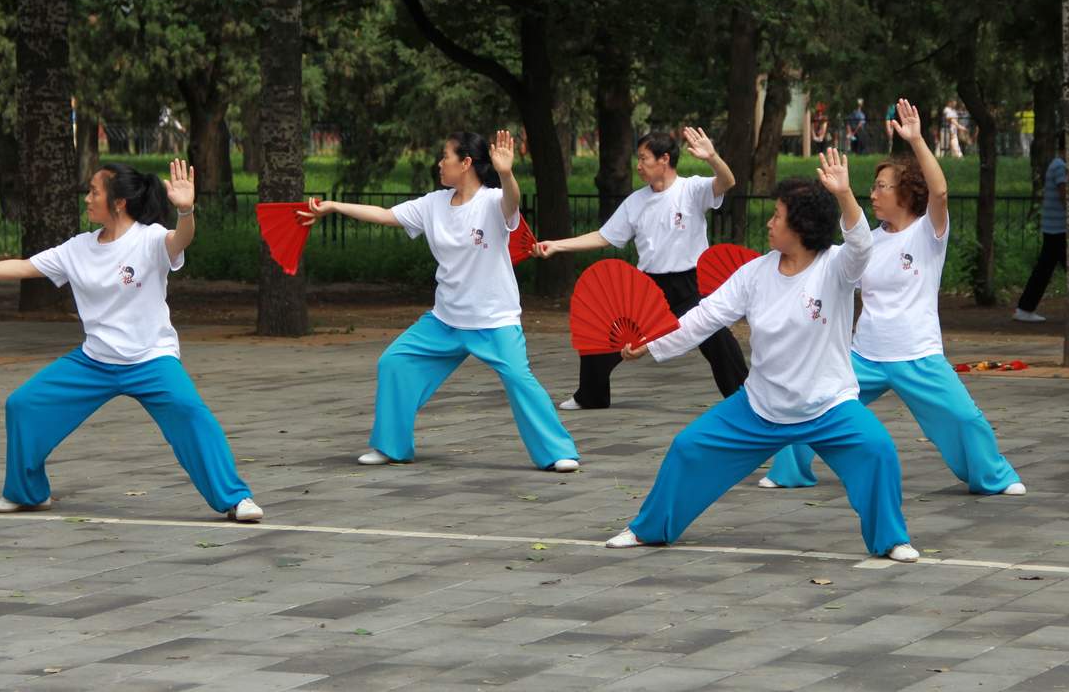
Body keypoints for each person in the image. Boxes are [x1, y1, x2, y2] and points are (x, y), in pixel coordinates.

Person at [604, 149, 919, 563]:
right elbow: (705, 316)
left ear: (801, 226)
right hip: (759, 407)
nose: (769, 223)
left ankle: (890, 539)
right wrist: (651, 344)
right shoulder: (755, 273)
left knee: (878, 450)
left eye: (777, 216)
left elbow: (861, 243)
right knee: (687, 447)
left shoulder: (837, 268)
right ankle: (650, 529)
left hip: (829, 405)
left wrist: (844, 195)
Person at [0, 161, 263, 521]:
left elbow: (181, 238)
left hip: (151, 359)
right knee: (23, 404)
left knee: (192, 414)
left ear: (118, 202)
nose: (87, 198)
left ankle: (235, 498)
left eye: (93, 192)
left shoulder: (148, 239)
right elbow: (24, 267)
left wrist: (185, 210)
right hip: (95, 361)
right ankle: (28, 492)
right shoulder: (78, 248)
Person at [761, 99, 1025, 497]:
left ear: (905, 193)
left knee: (963, 418)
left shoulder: (928, 233)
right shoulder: (869, 240)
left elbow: (941, 190)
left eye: (882, 187)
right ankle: (789, 471)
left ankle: (993, 477)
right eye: (873, 187)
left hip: (917, 353)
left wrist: (917, 140)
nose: (874, 194)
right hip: (864, 354)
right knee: (810, 400)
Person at [300, 130, 580, 472]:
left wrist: (507, 173)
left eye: (444, 156)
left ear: (465, 164)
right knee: (394, 362)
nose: (439, 163)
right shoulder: (432, 204)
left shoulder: (493, 202)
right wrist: (333, 206)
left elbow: (512, 203)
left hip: (494, 320)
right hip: (445, 320)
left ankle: (556, 452)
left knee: (520, 380)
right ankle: (391, 446)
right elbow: (384, 214)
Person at [532, 128, 748, 411]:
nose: (638, 165)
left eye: (644, 158)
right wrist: (558, 245)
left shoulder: (692, 189)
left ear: (664, 159)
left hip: (690, 286)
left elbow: (727, 181)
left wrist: (712, 157)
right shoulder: (636, 201)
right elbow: (604, 236)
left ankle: (746, 401)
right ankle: (591, 395)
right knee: (605, 332)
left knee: (719, 340)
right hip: (649, 286)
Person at [1014, 135, 1067, 322]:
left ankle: (1025, 307)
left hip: (1056, 228)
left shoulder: (1058, 164)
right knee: (1051, 270)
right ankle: (1024, 308)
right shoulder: (1060, 166)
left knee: (1044, 269)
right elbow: (1064, 195)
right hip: (1058, 229)